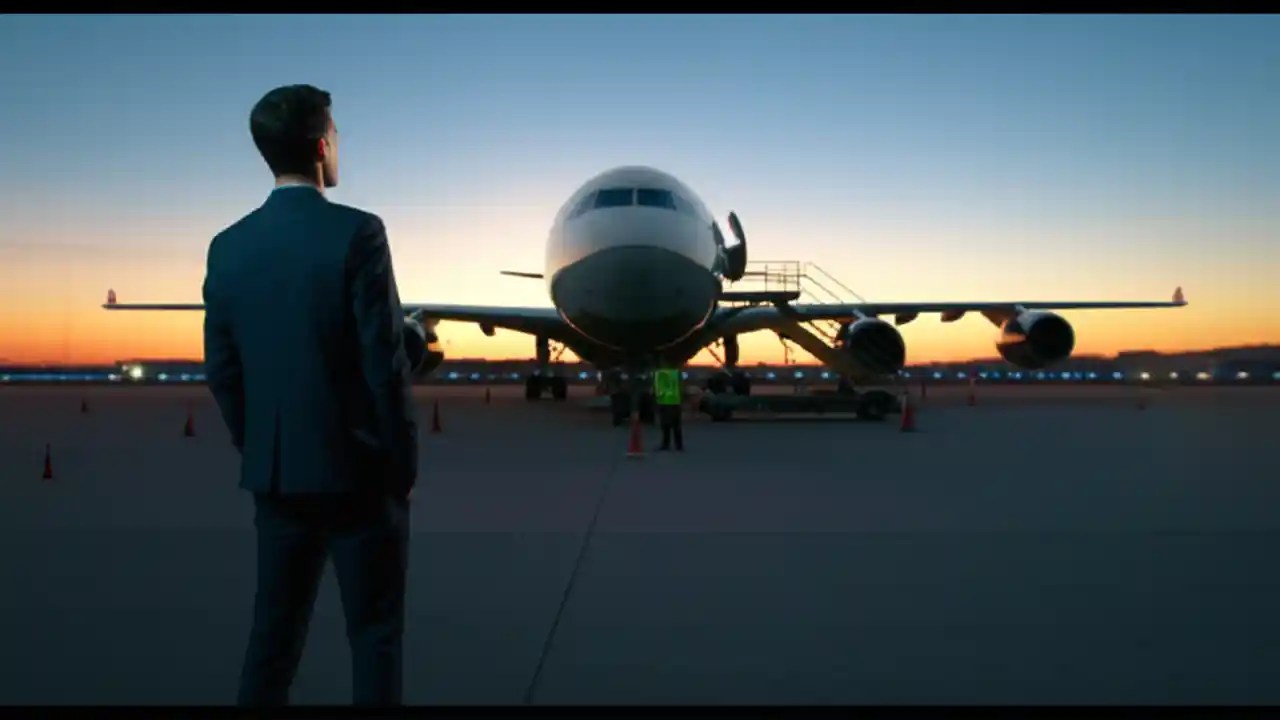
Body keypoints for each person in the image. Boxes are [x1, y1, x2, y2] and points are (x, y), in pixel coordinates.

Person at [202, 84, 418, 707]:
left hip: (278, 478)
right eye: (338, 135)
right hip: (359, 478)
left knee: (272, 639)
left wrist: (263, 447)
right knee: (375, 639)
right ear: (323, 146)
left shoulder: (228, 245)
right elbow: (385, 363)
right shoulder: (359, 232)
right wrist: (400, 467)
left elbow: (224, 369)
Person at [653, 364, 684, 451]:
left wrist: (656, 400)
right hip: (675, 401)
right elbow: (681, 387)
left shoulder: (659, 373)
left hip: (664, 401)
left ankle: (665, 444)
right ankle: (679, 445)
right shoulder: (677, 373)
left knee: (665, 425)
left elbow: (656, 388)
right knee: (676, 425)